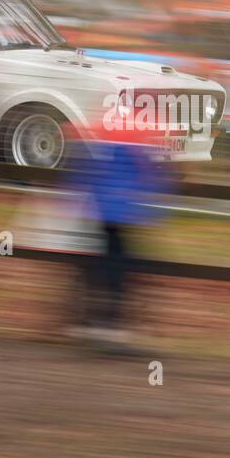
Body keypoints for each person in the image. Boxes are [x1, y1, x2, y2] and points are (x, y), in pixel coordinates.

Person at [66, 121, 173, 353]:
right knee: (119, 269)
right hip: (124, 212)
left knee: (97, 265)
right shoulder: (141, 130)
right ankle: (111, 324)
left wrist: (77, 197)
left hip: (100, 209)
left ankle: (89, 321)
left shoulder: (102, 125)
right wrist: (155, 209)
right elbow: (150, 173)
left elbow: (85, 166)